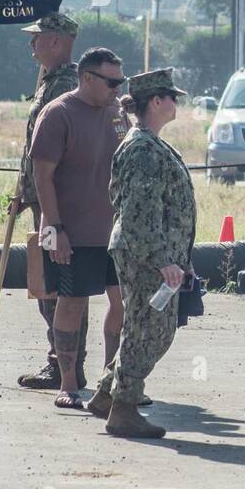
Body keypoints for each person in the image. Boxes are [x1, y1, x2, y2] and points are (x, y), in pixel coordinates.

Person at [85, 69, 197, 438]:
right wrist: (164, 259)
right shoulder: (143, 149)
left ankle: (106, 395)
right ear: (156, 102)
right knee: (150, 331)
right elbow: (140, 211)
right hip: (146, 254)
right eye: (172, 96)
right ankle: (125, 409)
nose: (176, 103)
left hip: (149, 252)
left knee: (142, 327)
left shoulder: (149, 143)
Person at [29, 47, 130, 410]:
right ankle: (69, 383)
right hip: (72, 231)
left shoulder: (119, 115)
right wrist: (54, 228)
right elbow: (42, 176)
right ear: (87, 78)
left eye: (121, 81)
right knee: (71, 304)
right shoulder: (58, 114)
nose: (118, 89)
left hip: (117, 234)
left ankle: (113, 379)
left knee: (122, 304)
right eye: (111, 82)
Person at [11, 11, 81, 390]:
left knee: (57, 281)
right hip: (43, 200)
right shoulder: (49, 83)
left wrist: (40, 195)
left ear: (56, 40)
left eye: (37, 37)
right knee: (48, 279)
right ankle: (61, 358)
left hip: (58, 204)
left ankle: (64, 364)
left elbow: (56, 152)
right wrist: (25, 190)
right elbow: (35, 150)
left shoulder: (65, 86)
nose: (31, 43)